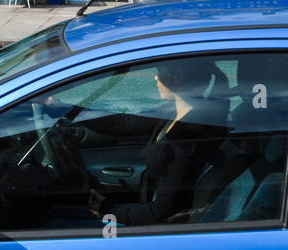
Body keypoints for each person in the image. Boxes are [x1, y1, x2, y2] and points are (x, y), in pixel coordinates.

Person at [89, 58, 228, 226]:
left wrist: (108, 210)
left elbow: (162, 212)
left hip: (159, 227)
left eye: (159, 73)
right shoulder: (175, 113)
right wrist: (60, 109)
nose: (155, 78)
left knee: (58, 219)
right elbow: (125, 122)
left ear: (177, 77)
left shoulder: (186, 138)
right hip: (147, 211)